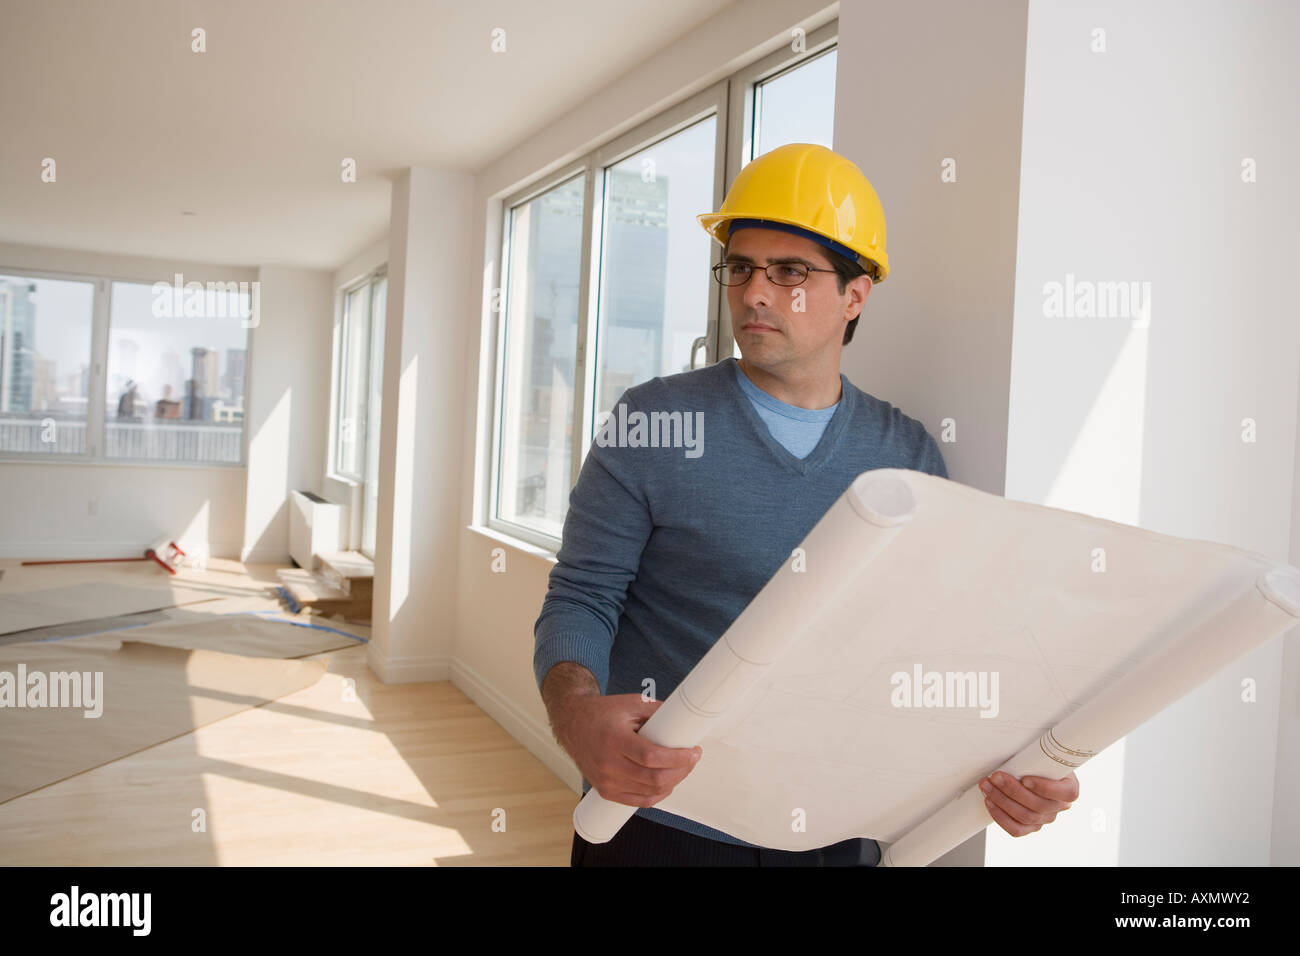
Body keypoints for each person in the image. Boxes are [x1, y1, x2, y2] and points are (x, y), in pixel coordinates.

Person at [533, 143, 1078, 867]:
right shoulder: (653, 421)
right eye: (741, 268)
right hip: (663, 820)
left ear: (855, 295)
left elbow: (930, 646)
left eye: (790, 272)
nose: (755, 293)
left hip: (832, 826)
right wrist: (576, 717)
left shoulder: (908, 456)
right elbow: (583, 595)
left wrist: (1019, 763)